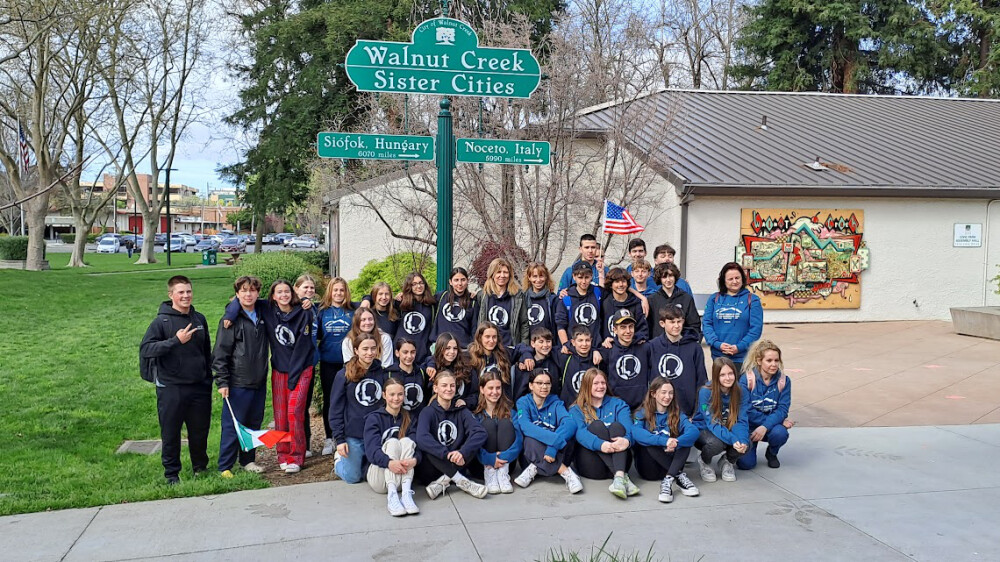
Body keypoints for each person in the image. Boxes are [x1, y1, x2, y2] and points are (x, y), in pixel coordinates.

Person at [222, 279, 316, 474]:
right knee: (280, 415)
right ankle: (283, 454)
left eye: (287, 292)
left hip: (301, 369)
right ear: (273, 296)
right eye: (279, 292)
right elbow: (239, 300)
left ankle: (296, 456)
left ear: (293, 294)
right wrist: (230, 313)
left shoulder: (304, 312)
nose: (283, 295)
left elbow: (303, 348)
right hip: (279, 370)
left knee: (294, 413)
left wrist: (307, 301)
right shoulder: (267, 309)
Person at [140, 275, 213, 485]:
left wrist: (208, 377)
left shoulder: (199, 319)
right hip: (171, 387)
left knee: (199, 431)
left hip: (199, 386)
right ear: (171, 294)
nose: (186, 296)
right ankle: (172, 473)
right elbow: (146, 349)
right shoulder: (161, 321)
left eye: (188, 291)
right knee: (171, 432)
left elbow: (206, 351)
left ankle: (200, 466)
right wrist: (175, 341)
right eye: (181, 292)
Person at [212, 275, 268, 478]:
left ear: (258, 293)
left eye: (252, 290)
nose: (248, 294)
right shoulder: (230, 320)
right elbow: (220, 352)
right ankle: (225, 466)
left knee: (254, 423)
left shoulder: (262, 312)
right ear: (237, 294)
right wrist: (222, 381)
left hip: (259, 381)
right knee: (233, 425)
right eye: (244, 290)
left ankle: (248, 460)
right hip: (237, 382)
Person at [416, 370, 489, 499]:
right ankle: (463, 482)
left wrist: (462, 452)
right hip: (433, 469)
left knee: (472, 442)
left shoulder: (461, 410)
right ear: (435, 388)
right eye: (444, 385)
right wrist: (446, 454)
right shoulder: (427, 412)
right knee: (427, 446)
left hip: (457, 462)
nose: (449, 389)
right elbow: (421, 438)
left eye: (452, 385)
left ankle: (446, 480)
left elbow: (480, 432)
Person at [569, 368, 638, 499]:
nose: (600, 386)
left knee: (617, 426)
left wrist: (627, 440)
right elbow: (580, 433)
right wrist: (600, 444)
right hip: (592, 466)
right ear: (586, 385)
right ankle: (623, 478)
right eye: (596, 383)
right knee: (597, 426)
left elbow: (630, 429)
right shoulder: (576, 409)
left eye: (603, 383)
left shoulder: (618, 404)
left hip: (621, 463)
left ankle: (619, 477)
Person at [330, 332, 388, 483]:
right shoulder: (344, 375)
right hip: (353, 435)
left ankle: (363, 463)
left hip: (375, 435)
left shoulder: (382, 374)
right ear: (356, 350)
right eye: (365, 349)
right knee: (353, 478)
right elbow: (335, 409)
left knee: (373, 475)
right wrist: (340, 439)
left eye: (373, 348)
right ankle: (339, 462)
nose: (370, 353)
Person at [631, 378, 700, 503]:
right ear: (653, 394)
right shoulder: (642, 413)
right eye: (663, 392)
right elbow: (636, 433)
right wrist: (664, 441)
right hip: (649, 469)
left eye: (671, 393)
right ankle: (678, 476)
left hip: (670, 466)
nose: (667, 396)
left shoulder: (677, 413)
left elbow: (693, 431)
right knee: (648, 442)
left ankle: (668, 480)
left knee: (685, 441)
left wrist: (676, 442)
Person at [513, 369, 582, 493]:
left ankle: (534, 468)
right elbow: (525, 426)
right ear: (531, 385)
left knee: (568, 435)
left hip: (555, 454)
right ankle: (566, 472)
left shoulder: (556, 403)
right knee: (530, 439)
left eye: (547, 383)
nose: (544, 387)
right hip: (530, 455)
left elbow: (569, 423)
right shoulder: (523, 402)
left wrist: (552, 448)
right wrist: (555, 440)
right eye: (539, 383)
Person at [363, 377, 421, 516]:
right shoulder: (374, 418)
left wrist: (415, 460)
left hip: (404, 476)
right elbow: (371, 451)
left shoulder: (410, 418)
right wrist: (389, 463)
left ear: (404, 395)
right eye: (392, 394)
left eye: (400, 394)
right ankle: (392, 497)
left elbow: (418, 447)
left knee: (407, 441)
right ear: (384, 395)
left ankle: (406, 495)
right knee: (393, 442)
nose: (396, 398)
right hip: (381, 479)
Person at [738, 340, 793, 470]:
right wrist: (763, 425)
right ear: (759, 361)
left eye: (776, 360)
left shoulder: (784, 381)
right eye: (769, 361)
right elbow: (745, 409)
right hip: (749, 425)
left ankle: (772, 453)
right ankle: (750, 447)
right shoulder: (747, 380)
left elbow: (782, 409)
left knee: (780, 433)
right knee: (746, 464)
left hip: (770, 426)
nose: (774, 364)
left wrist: (765, 426)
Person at [693, 357, 750, 483]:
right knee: (716, 443)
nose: (728, 378)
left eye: (730, 373)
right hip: (705, 429)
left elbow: (741, 420)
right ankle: (705, 461)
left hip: (728, 427)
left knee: (747, 443)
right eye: (722, 375)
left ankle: (727, 461)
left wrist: (742, 440)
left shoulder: (742, 391)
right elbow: (712, 422)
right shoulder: (705, 392)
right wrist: (733, 439)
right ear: (715, 376)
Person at [317, 277, 356, 456]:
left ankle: (346, 435)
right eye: (335, 290)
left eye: (342, 290)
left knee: (349, 399)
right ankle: (329, 437)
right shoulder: (321, 311)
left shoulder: (353, 310)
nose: (339, 293)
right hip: (328, 362)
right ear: (330, 292)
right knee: (331, 400)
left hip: (349, 363)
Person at [703, 262, 763, 373]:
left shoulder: (753, 300)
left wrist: (739, 347)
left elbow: (756, 330)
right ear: (723, 280)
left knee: (742, 389)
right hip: (719, 356)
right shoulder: (714, 299)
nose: (734, 281)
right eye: (730, 279)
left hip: (743, 357)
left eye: (737, 278)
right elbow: (707, 324)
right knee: (722, 387)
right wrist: (717, 344)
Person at [648, 306, 707, 418]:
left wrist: (697, 412)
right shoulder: (652, 346)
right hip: (659, 413)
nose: (676, 326)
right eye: (672, 322)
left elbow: (701, 381)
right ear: (662, 323)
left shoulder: (694, 348)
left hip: (687, 412)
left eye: (679, 321)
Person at [473, 371, 523, 494]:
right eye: (490, 388)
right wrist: (490, 459)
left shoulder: (511, 412)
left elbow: (519, 439)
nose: (495, 392)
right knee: (488, 423)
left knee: (505, 423)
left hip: (506, 463)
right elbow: (472, 442)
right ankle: (490, 474)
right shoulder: (475, 415)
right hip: (482, 464)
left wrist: (502, 458)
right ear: (482, 389)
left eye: (498, 388)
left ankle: (502, 475)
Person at [604, 309, 652, 411]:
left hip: (642, 407)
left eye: (631, 326)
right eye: (623, 327)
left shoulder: (645, 347)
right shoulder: (608, 349)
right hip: (616, 408)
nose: (628, 331)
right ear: (615, 330)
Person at [294, 274, 320, 460]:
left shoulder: (315, 309)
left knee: (305, 405)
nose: (309, 291)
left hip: (311, 363)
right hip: (295, 365)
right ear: (296, 289)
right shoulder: (294, 308)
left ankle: (306, 442)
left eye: (312, 288)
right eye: (305, 288)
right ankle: (297, 444)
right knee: (297, 407)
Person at [476, 257, 529, 348]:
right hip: (489, 347)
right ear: (492, 274)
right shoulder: (483, 295)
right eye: (499, 272)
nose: (502, 275)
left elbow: (524, 324)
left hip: (511, 347)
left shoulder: (518, 296)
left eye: (505, 272)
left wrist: (523, 348)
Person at [425, 332, 479, 409]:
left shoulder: (466, 367)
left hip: (460, 411)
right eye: (447, 348)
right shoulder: (432, 368)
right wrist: (430, 364)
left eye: (455, 348)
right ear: (440, 348)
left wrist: (466, 402)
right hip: (438, 411)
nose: (452, 352)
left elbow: (475, 394)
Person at [648, 262, 701, 340]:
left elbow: (694, 324)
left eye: (671, 276)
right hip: (658, 346)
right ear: (660, 279)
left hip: (681, 345)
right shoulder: (652, 300)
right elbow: (648, 325)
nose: (668, 280)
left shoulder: (686, 298)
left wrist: (686, 340)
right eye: (664, 277)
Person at [555, 262, 602, 346]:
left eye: (587, 277)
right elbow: (560, 326)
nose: (584, 281)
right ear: (574, 277)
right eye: (580, 278)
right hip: (574, 348)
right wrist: (566, 345)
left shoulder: (598, 292)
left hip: (595, 347)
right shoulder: (566, 297)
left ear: (591, 276)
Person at [600, 267, 648, 347]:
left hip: (632, 348)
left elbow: (643, 330)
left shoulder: (636, 303)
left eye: (623, 281)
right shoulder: (605, 303)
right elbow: (599, 327)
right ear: (611, 285)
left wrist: (634, 339)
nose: (621, 285)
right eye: (617, 282)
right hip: (610, 349)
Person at [432, 267, 478, 348]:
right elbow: (422, 300)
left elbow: (474, 328)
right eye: (456, 280)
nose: (460, 283)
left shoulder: (473, 301)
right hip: (440, 346)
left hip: (463, 348)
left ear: (467, 281)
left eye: (463, 280)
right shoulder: (441, 297)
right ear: (450, 282)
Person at [467, 322, 514, 399]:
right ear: (480, 337)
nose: (491, 341)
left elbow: (521, 348)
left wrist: (526, 358)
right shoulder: (470, 356)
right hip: (477, 403)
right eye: (487, 337)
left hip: (502, 403)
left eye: (494, 337)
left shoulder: (504, 353)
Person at [396, 272, 436, 363]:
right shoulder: (401, 303)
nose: (418, 286)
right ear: (409, 286)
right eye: (414, 284)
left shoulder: (432, 305)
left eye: (421, 283)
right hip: (402, 354)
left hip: (422, 354)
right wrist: (366, 300)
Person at [386, 338, 429, 421]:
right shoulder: (389, 373)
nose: (409, 356)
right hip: (397, 420)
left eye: (412, 352)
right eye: (405, 352)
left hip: (418, 420)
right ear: (397, 353)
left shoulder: (422, 372)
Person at [512, 327, 561, 399]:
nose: (545, 345)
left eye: (548, 341)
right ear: (533, 343)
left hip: (551, 404)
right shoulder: (526, 363)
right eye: (541, 342)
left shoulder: (555, 359)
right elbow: (520, 391)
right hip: (529, 405)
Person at [558, 324, 599, 405]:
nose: (584, 344)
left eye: (587, 340)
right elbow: (543, 350)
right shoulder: (565, 356)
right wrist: (527, 356)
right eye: (580, 340)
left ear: (591, 340)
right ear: (573, 342)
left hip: (591, 408)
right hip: (569, 408)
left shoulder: (597, 359)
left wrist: (596, 351)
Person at [523, 261, 559, 338]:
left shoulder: (553, 299)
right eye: (535, 276)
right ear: (529, 277)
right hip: (529, 345)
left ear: (546, 277)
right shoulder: (523, 299)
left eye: (541, 276)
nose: (538, 280)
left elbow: (557, 326)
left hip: (548, 344)